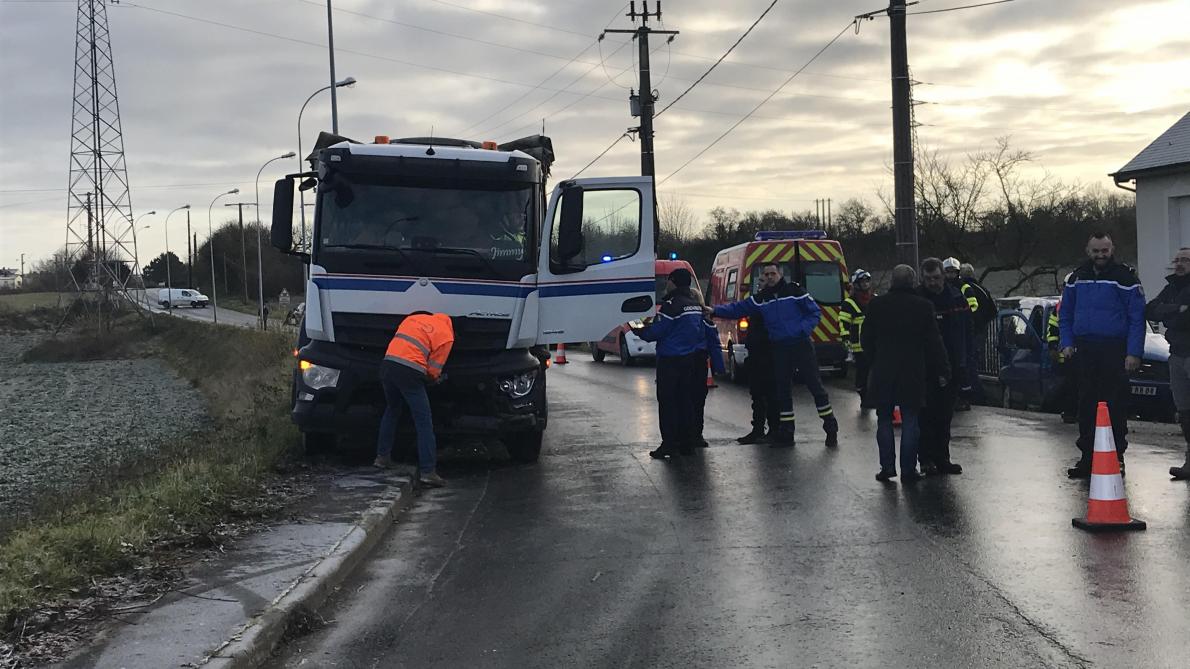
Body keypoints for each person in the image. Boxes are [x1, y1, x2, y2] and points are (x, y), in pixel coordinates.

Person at [710, 262, 838, 447]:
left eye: (772, 274)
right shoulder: (762, 298)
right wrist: (714, 311)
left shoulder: (795, 291)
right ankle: (786, 432)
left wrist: (802, 330)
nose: (769, 277)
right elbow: (739, 308)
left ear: (780, 274)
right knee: (782, 391)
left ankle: (830, 426)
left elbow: (814, 312)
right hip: (780, 347)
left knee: (815, 387)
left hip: (801, 345)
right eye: (766, 274)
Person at [1060, 233, 1146, 479]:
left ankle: (1116, 457)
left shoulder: (1125, 278)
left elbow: (1137, 319)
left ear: (1112, 249)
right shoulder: (1077, 278)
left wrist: (1133, 353)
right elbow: (1065, 314)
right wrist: (1066, 343)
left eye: (1105, 250)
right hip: (1084, 350)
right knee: (1086, 405)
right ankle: (1087, 458)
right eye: (1096, 251)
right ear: (1088, 250)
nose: (1100, 255)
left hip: (1114, 350)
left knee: (1114, 406)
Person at [862, 265, 950, 482]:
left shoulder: (876, 305)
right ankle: (909, 470)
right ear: (912, 282)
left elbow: (866, 339)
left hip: (883, 370)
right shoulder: (923, 306)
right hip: (912, 371)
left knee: (884, 419)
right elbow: (934, 342)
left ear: (892, 282)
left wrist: (875, 359)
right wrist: (943, 369)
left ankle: (887, 467)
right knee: (911, 420)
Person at [634, 268, 709, 458]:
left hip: (669, 360)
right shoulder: (694, 305)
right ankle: (687, 443)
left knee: (668, 403)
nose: (666, 284)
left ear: (673, 282)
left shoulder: (671, 305)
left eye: (668, 281)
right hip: (689, 359)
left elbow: (656, 332)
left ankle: (668, 444)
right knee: (686, 401)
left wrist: (638, 329)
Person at [373, 311, 454, 487]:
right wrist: (435, 379)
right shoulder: (447, 336)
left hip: (387, 366)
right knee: (423, 420)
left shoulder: (413, 319)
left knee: (392, 409)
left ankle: (382, 457)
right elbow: (433, 370)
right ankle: (428, 471)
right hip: (410, 372)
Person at [917, 257, 970, 475]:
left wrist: (965, 361)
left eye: (936, 278)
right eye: (928, 279)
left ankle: (943, 458)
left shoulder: (956, 298)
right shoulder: (918, 300)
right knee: (926, 417)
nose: (933, 283)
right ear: (922, 278)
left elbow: (967, 330)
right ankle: (926, 458)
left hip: (952, 365)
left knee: (945, 417)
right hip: (925, 368)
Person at [1144, 247, 1190, 480]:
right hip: (1176, 355)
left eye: (1185, 260)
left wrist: (1173, 316)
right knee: (1184, 412)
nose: (1180, 264)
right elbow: (1151, 309)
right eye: (1178, 260)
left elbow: (1184, 320)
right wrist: (1177, 310)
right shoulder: (1171, 288)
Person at [735, 296, 779, 444]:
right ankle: (759, 429)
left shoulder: (773, 305)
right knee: (757, 395)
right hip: (756, 357)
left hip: (769, 357)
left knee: (771, 396)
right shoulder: (757, 304)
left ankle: (773, 430)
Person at [691, 285, 726, 448]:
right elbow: (714, 345)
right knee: (698, 401)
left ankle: (683, 434)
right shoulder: (706, 321)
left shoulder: (680, 317)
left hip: (683, 362)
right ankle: (696, 435)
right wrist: (719, 367)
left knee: (682, 400)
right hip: (699, 363)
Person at [942, 257, 977, 409]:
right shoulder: (942, 289)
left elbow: (973, 306)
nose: (950, 275)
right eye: (947, 272)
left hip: (961, 331)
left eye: (952, 272)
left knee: (963, 367)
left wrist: (963, 319)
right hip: (947, 332)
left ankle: (965, 399)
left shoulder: (964, 288)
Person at [958, 262, 995, 406]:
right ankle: (977, 395)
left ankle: (976, 396)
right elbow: (992, 311)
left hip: (972, 332)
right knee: (975, 362)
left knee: (969, 364)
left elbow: (971, 311)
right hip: (980, 331)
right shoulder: (983, 289)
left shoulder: (963, 289)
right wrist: (983, 323)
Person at [840, 269, 875, 405]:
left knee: (876, 371)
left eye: (867, 281)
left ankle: (873, 396)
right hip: (858, 345)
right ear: (856, 284)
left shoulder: (874, 299)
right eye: (862, 281)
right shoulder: (849, 303)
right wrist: (845, 339)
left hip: (874, 344)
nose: (865, 284)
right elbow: (843, 323)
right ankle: (863, 396)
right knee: (862, 372)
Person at [1044, 292, 1077, 423]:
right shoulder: (1061, 306)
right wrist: (1052, 346)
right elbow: (1053, 327)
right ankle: (1070, 412)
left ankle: (1074, 412)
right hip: (1066, 355)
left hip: (1077, 353)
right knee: (1068, 385)